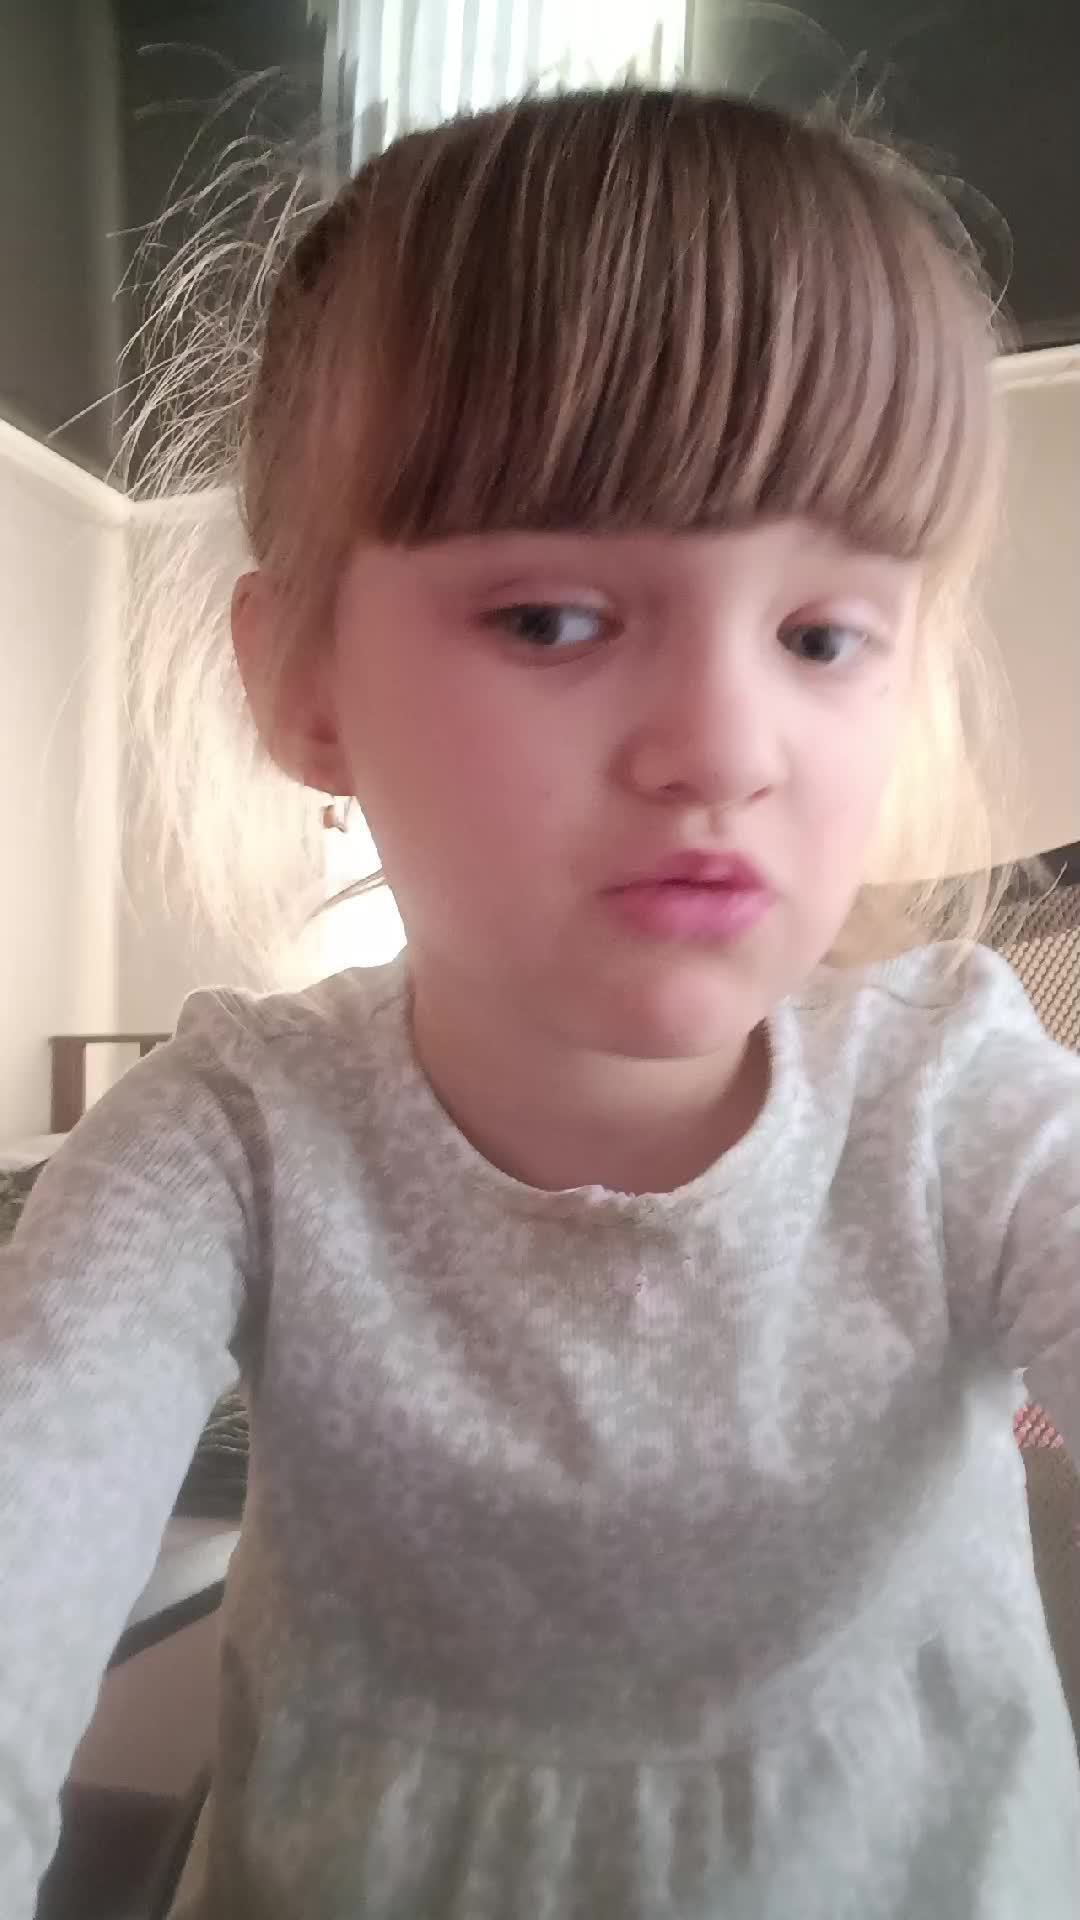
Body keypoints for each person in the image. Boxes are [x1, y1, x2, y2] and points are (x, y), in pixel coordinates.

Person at [3, 84, 1079, 1920]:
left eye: (821, 635)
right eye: (553, 620)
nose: (724, 745)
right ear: (306, 684)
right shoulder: (234, 1138)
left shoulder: (960, 1101)